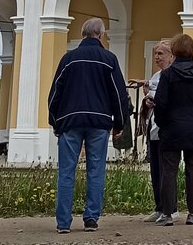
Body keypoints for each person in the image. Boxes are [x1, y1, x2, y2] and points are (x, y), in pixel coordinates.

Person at [48, 18, 130, 234]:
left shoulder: (68, 59)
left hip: (70, 120)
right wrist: (119, 123)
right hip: (99, 121)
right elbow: (119, 94)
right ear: (100, 35)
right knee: (96, 170)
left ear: (83, 34)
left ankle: (63, 223)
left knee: (66, 172)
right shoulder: (109, 59)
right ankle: (91, 218)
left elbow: (55, 93)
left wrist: (55, 121)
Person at [153, 33, 193, 227]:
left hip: (171, 128)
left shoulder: (168, 75)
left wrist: (161, 123)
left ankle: (167, 215)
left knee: (169, 171)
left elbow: (160, 103)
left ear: (175, 51)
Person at [141, 38, 175, 223]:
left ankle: (170, 209)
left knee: (166, 171)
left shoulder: (172, 75)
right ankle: (159, 207)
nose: (156, 57)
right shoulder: (156, 76)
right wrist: (147, 100)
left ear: (171, 56)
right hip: (154, 128)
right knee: (155, 170)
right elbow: (151, 97)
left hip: (167, 128)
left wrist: (155, 99)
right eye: (155, 53)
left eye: (161, 53)